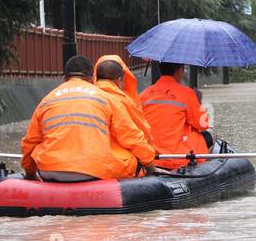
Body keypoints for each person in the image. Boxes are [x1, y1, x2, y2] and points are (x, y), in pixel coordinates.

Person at [20, 54, 155, 182]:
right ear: (92, 78)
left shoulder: (46, 100)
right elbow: (131, 135)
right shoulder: (106, 98)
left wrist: (30, 174)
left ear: (64, 78)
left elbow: (29, 142)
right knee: (131, 160)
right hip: (92, 170)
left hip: (48, 170)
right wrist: (149, 165)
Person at [139, 61, 212, 162]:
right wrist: (198, 102)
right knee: (209, 135)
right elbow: (203, 125)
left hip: (150, 157)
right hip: (179, 158)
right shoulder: (188, 94)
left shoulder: (143, 95)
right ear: (180, 70)